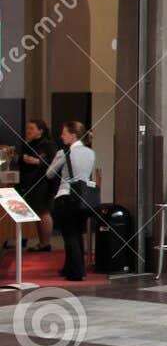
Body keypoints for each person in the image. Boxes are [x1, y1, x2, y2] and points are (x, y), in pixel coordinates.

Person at [44, 122, 95, 281]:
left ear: (73, 135)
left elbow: (49, 174)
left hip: (66, 196)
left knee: (70, 235)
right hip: (84, 198)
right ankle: (70, 267)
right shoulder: (90, 153)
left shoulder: (63, 153)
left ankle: (77, 271)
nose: (61, 136)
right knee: (77, 233)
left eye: (64, 133)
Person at [14, 120, 57, 252]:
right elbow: (21, 159)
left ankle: (45, 243)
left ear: (40, 131)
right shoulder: (28, 144)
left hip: (43, 184)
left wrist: (36, 161)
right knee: (36, 212)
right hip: (29, 183)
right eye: (27, 128)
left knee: (43, 211)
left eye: (31, 129)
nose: (28, 131)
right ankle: (39, 242)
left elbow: (53, 164)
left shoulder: (49, 145)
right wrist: (21, 159)